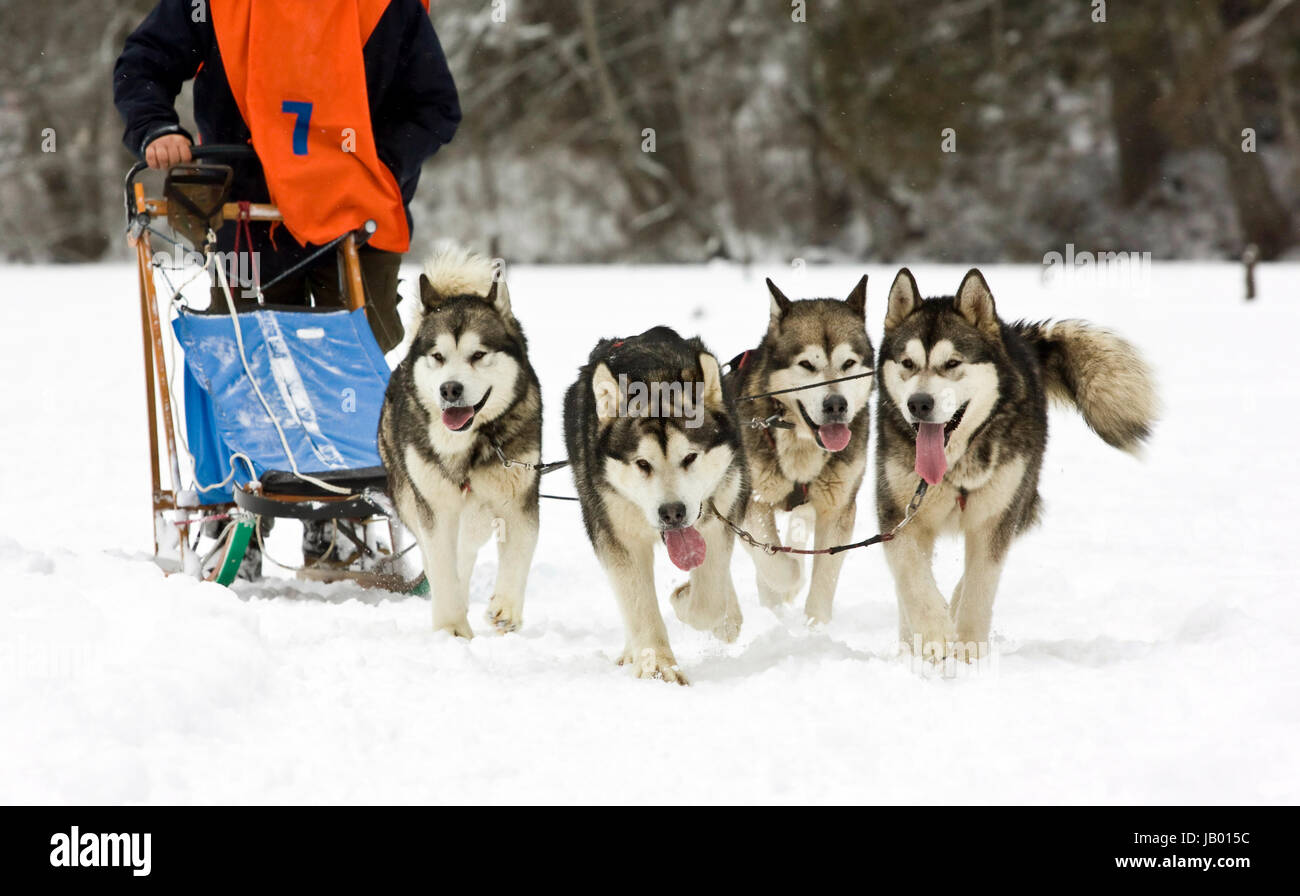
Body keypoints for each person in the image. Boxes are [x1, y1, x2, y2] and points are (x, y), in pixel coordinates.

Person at [114, 0, 461, 572]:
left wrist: (375, 166)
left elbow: (434, 107)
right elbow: (145, 59)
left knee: (348, 356)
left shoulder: (387, 8)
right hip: (247, 208)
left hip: (353, 218)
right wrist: (156, 126)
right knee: (242, 359)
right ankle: (233, 512)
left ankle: (342, 516)